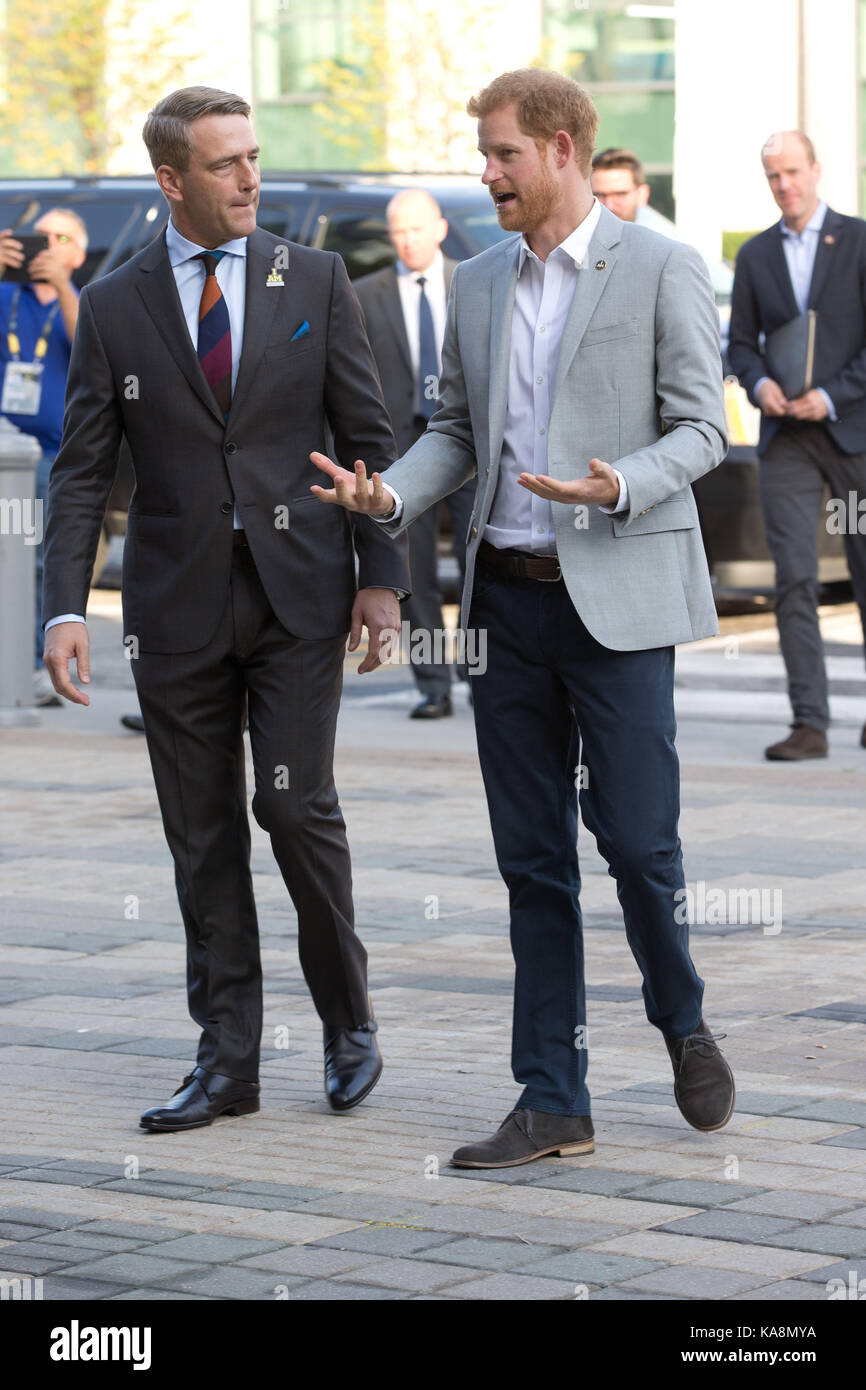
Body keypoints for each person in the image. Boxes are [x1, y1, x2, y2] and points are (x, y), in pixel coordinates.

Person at [311, 67, 735, 1168]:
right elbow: (455, 427)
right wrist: (390, 493)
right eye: (483, 154)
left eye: (500, 153)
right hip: (504, 601)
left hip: (619, 604)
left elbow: (701, 428)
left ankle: (680, 1018)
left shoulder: (663, 266)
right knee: (532, 858)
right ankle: (552, 1095)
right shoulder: (479, 281)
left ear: (560, 150)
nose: (484, 172)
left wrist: (619, 484)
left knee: (638, 843)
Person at [41, 86, 409, 1132]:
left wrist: (380, 574)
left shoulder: (318, 277)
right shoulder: (115, 305)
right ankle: (227, 1061)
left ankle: (348, 1021)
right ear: (172, 180)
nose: (250, 179)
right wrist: (62, 607)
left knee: (292, 806)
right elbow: (79, 473)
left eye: (253, 157)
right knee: (200, 836)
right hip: (174, 609)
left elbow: (367, 439)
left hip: (299, 603)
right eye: (224, 164)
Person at [729, 131, 866, 762]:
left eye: (792, 172)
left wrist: (832, 394)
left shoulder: (860, 242)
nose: (785, 185)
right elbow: (740, 345)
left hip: (851, 433)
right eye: (773, 177)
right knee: (794, 580)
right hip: (786, 440)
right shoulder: (756, 256)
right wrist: (761, 385)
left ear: (816, 170)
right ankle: (809, 721)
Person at [354, 190, 475, 719]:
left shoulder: (474, 283)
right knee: (414, 572)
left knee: (481, 562)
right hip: (403, 452)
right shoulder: (365, 294)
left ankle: (484, 672)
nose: (408, 241)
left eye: (418, 230)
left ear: (440, 230)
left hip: (471, 446)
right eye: (399, 232)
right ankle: (435, 685)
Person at [0, 209, 86, 707]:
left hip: (46, 457)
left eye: (61, 238)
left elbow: (88, 348)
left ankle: (32, 664)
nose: (47, 245)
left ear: (77, 253)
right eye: (41, 236)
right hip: (4, 452)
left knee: (32, 560)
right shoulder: (8, 295)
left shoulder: (85, 300)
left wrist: (63, 286)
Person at [590, 148, 650, 225]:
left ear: (642, 195)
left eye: (620, 194)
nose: (609, 206)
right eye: (599, 195)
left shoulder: (662, 234)